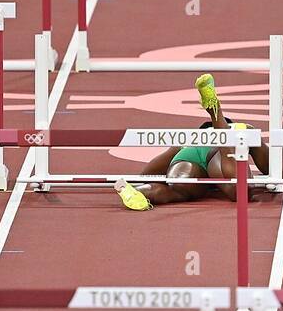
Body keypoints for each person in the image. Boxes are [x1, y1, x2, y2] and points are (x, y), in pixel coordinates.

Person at [116, 74, 271, 210]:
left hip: (188, 157)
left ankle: (140, 192)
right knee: (241, 191)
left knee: (175, 190)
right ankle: (216, 112)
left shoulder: (186, 143)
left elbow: (146, 174)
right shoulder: (243, 128)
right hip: (222, 150)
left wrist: (130, 183)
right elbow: (271, 167)